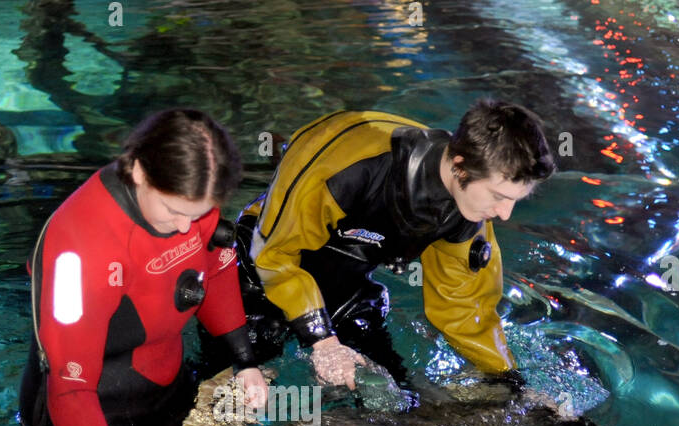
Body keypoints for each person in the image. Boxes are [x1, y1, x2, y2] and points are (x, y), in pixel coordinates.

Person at [18, 109, 267, 426]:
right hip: (92, 425)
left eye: (200, 212)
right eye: (174, 211)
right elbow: (70, 386)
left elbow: (214, 270)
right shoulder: (79, 248)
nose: (186, 227)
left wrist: (244, 360)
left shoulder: (193, 196)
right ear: (136, 169)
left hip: (168, 397)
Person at [232, 100, 555, 389]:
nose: (504, 214)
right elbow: (273, 254)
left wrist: (510, 383)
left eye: (516, 200)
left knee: (393, 395)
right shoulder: (347, 167)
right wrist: (322, 340)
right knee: (239, 381)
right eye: (499, 196)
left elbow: (467, 310)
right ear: (460, 165)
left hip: (349, 275)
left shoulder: (469, 209)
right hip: (261, 264)